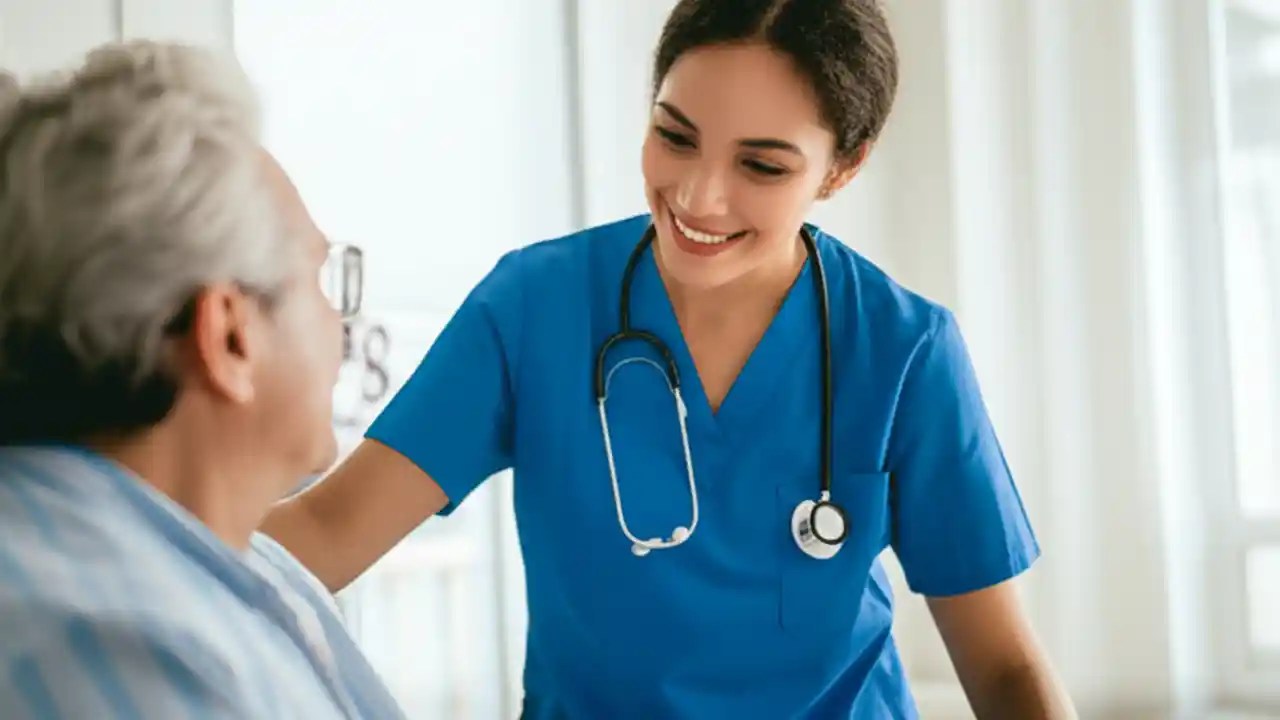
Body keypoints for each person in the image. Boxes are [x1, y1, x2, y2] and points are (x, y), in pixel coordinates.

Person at [264, 1, 1077, 717]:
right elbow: (329, 533)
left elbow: (1003, 667)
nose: (698, 196)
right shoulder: (533, 308)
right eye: (674, 136)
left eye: (761, 165)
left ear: (844, 166)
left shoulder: (902, 349)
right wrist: (142, 542)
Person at [0, 41, 404, 719]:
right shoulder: (105, 641)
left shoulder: (245, 564)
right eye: (316, 278)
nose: (341, 323)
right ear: (229, 336)